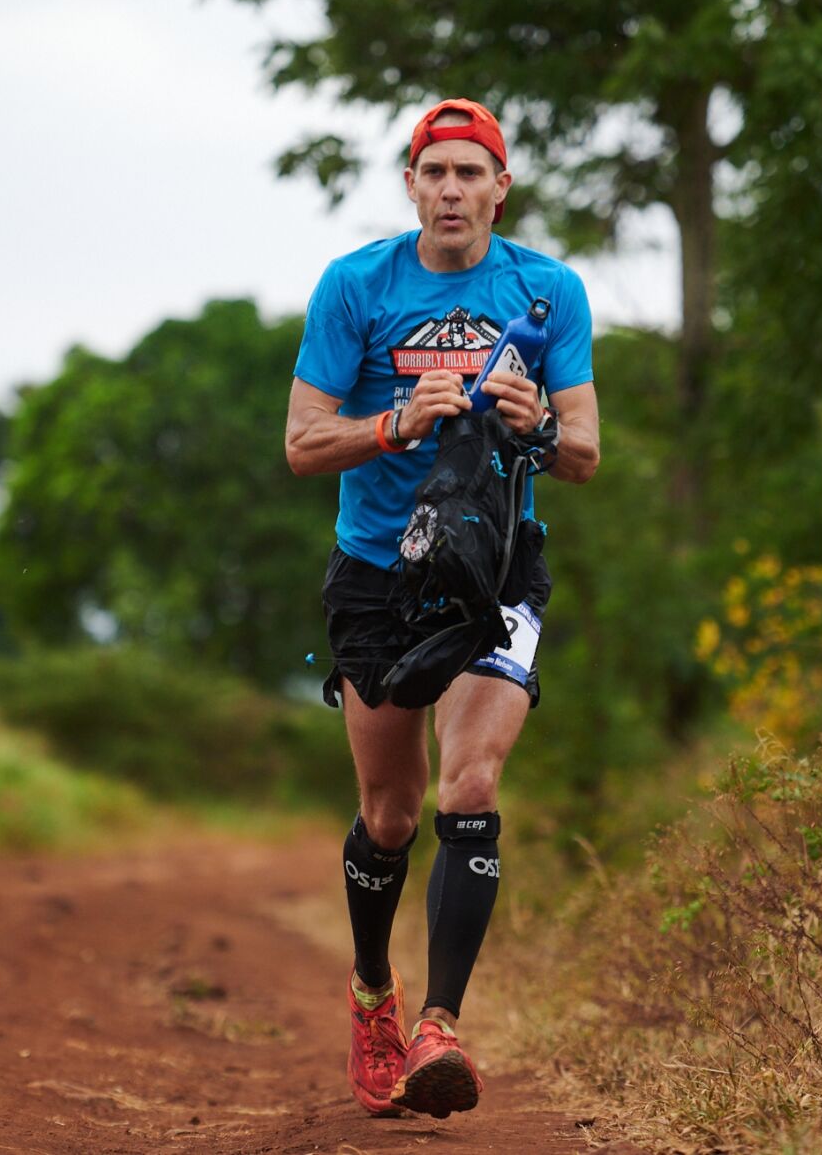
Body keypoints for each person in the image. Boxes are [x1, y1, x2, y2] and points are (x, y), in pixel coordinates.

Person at [284, 97, 601, 1119]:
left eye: (473, 173)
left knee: (471, 780)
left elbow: (587, 452)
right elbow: (300, 442)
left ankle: (440, 1025)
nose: (454, 190)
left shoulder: (547, 292)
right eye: (437, 173)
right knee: (392, 811)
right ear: (411, 185)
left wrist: (537, 422)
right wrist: (390, 422)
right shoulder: (355, 286)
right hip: (379, 572)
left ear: (501, 187)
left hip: (496, 568)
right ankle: (374, 991)